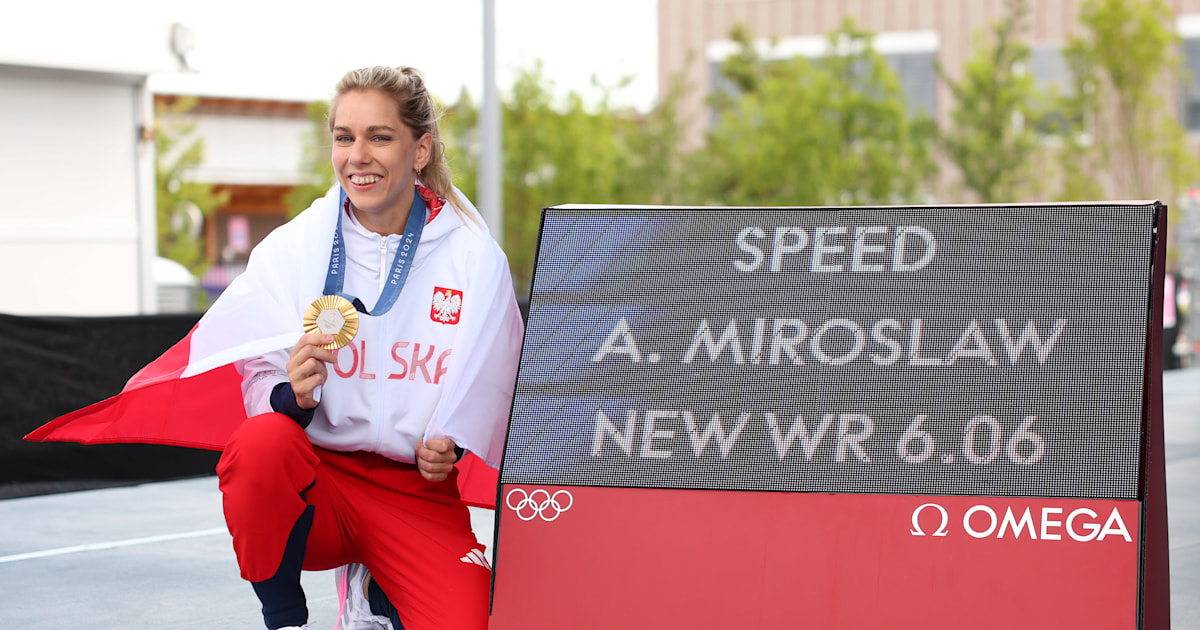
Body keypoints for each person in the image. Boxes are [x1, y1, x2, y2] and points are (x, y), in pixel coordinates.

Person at [216, 66, 524, 630]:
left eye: (379, 137)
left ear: (420, 149)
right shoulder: (293, 248)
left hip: (417, 494)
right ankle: (285, 617)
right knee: (260, 443)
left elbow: (498, 384)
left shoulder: (474, 257)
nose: (357, 155)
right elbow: (256, 377)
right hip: (322, 482)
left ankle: (376, 588)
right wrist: (292, 397)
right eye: (344, 137)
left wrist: (453, 442)